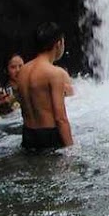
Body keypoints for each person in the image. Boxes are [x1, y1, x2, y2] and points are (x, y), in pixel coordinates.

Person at [19, 22, 74, 151]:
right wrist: (71, 149)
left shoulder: (23, 71)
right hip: (49, 136)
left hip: (28, 135)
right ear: (58, 44)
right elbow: (60, 118)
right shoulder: (55, 73)